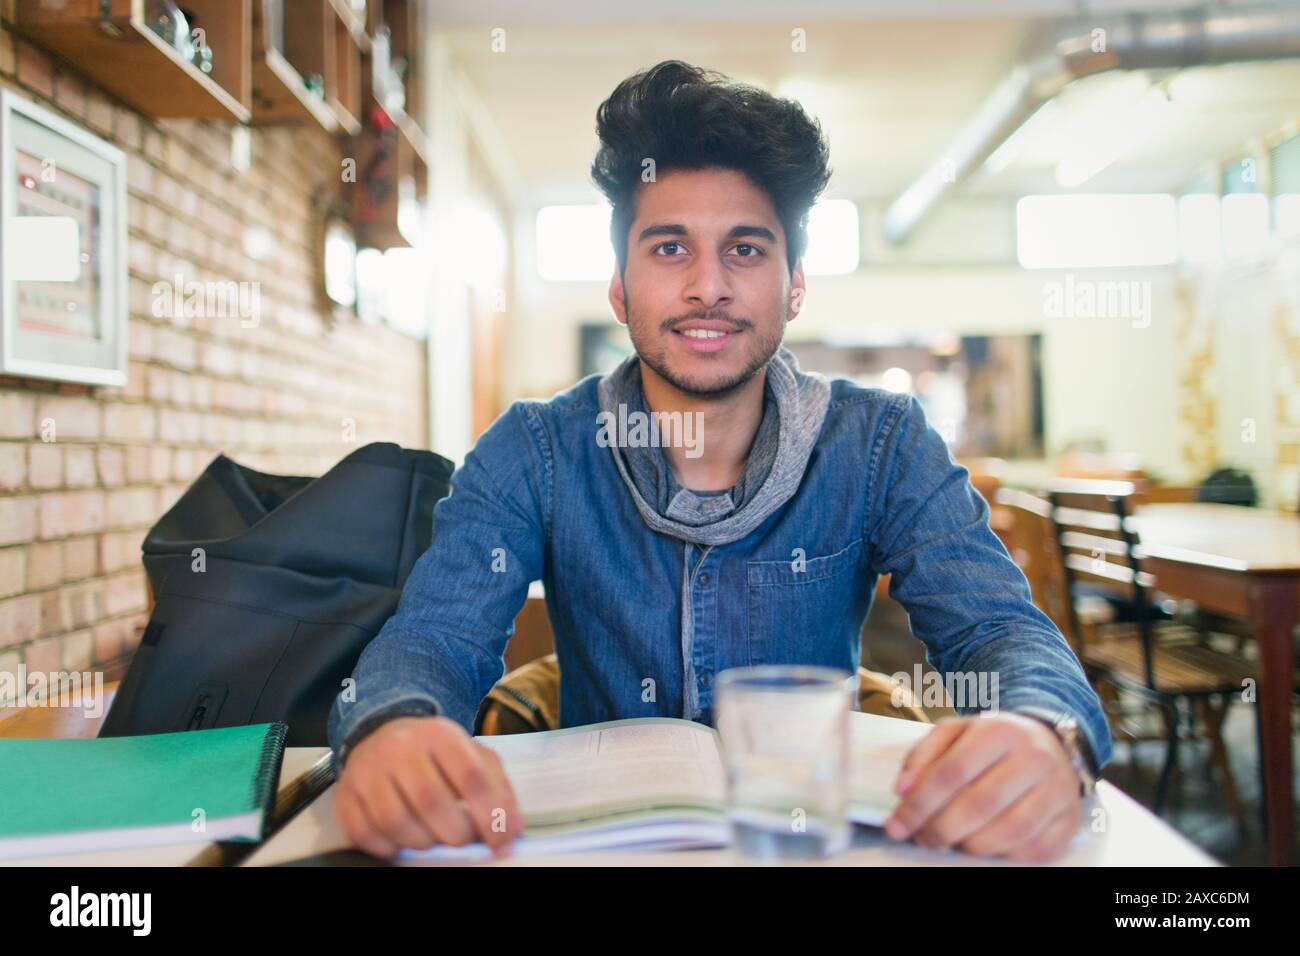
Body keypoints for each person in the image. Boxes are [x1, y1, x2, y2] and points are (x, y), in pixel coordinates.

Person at [327, 60, 1110, 862]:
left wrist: (1046, 731)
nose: (708, 286)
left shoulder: (881, 443)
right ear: (621, 289)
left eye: (745, 249)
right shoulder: (535, 450)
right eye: (669, 248)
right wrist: (393, 724)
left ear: (793, 284)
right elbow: (433, 637)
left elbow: (1001, 630)